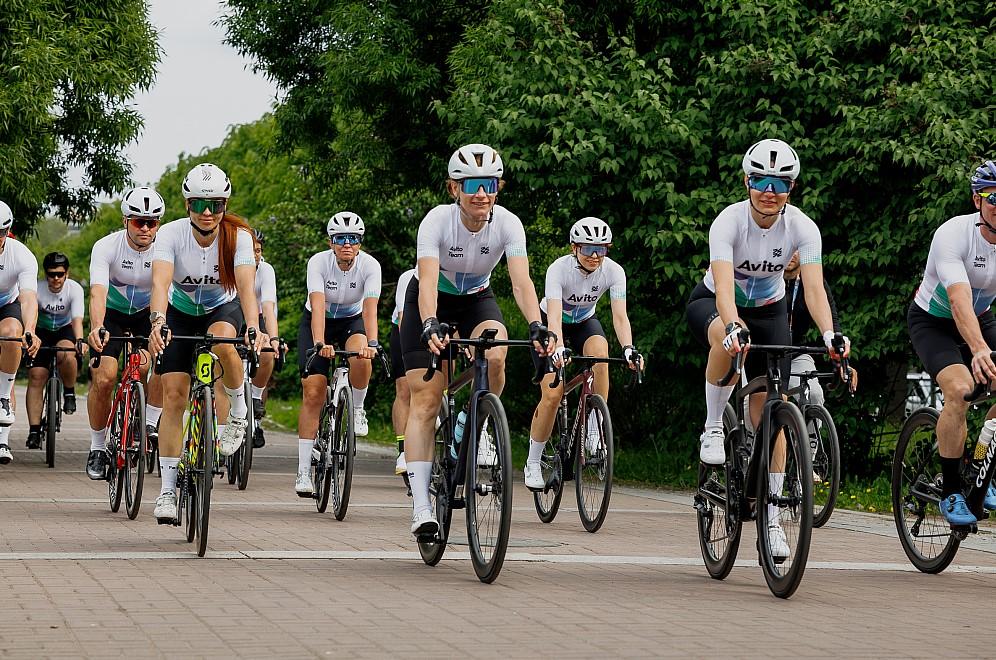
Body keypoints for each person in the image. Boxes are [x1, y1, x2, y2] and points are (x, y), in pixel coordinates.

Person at [684, 138, 849, 558]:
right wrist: (734, 322)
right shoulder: (728, 222)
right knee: (726, 336)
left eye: (781, 183)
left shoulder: (802, 227)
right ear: (747, 181)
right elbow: (723, 287)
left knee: (771, 414)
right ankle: (713, 426)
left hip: (771, 309)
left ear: (791, 188)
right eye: (761, 180)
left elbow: (813, 289)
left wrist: (830, 333)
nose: (770, 191)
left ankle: (772, 519)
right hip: (716, 302)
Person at [400, 143, 554, 538]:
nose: (481, 193)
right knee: (428, 398)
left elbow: (521, 282)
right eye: (471, 184)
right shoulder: (436, 222)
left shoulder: (508, 224)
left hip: (476, 300)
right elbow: (429, 280)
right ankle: (421, 509)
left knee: (498, 350)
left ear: (497, 187)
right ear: (455, 189)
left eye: (488, 183)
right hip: (430, 300)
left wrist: (536, 324)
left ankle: (475, 420)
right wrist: (431, 322)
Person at [149, 163, 265, 524]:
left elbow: (246, 287)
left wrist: (253, 326)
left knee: (224, 343)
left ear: (225, 205)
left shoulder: (239, 238)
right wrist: (158, 322)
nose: (207, 212)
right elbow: (160, 285)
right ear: (187, 204)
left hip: (222, 306)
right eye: (199, 203)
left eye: (215, 204)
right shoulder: (169, 234)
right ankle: (168, 489)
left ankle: (238, 411)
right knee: (173, 397)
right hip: (180, 310)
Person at [523, 217, 642, 489]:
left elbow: (620, 317)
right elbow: (553, 316)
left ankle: (594, 425)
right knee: (552, 394)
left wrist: (628, 348)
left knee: (601, 352)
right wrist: (559, 347)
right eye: (588, 248)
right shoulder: (558, 270)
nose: (596, 255)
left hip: (584, 322)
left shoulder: (614, 271)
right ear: (574, 248)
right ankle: (532, 461)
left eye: (602, 248)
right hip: (551, 323)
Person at [908, 159, 996, 525]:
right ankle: (950, 491)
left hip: (982, 318)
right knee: (961, 390)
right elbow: (959, 301)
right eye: (995, 198)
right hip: (935, 322)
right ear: (978, 199)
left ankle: (982, 460)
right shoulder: (953, 235)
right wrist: (977, 350)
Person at [294, 212, 381, 496]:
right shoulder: (318, 262)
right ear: (331, 242)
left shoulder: (370, 265)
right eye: (340, 239)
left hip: (351, 321)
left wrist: (374, 342)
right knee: (314, 392)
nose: (347, 244)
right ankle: (304, 471)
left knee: (362, 354)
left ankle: (356, 408)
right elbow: (318, 306)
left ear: (360, 242)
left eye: (353, 239)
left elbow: (370, 309)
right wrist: (319, 342)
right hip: (317, 322)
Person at [85, 187, 167, 480]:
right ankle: (97, 447)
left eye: (152, 222)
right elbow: (97, 292)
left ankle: (148, 424)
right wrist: (97, 327)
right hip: (113, 314)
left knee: (154, 363)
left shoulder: (165, 249)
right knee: (105, 377)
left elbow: (166, 290)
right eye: (138, 221)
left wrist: (160, 326)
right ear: (125, 221)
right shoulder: (106, 246)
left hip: (148, 314)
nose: (145, 228)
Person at [26, 252, 85, 449]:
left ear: (67, 273)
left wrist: (79, 340)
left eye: (60, 274)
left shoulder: (74, 289)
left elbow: (77, 319)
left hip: (64, 330)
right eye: (51, 274)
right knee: (36, 376)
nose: (56, 279)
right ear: (46, 274)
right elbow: (30, 314)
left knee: (66, 353)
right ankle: (34, 430)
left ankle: (69, 392)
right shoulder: (37, 288)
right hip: (41, 331)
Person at [0, 201, 41, 465]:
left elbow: (28, 299)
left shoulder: (21, 255)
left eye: (1, 233)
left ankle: (3, 400)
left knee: (12, 333)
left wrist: (30, 330)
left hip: (7, 305)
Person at [249, 228, 280, 449]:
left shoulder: (266, 270)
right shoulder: (232, 265)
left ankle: (256, 401)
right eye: (251, 250)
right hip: (235, 314)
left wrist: (274, 338)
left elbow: (268, 306)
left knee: (267, 351)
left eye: (258, 251)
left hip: (260, 317)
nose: (255, 255)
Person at [390, 267, 416, 476]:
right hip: (406, 327)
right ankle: (403, 450)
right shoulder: (407, 278)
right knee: (404, 387)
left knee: (446, 373)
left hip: (441, 326)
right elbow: (404, 318)